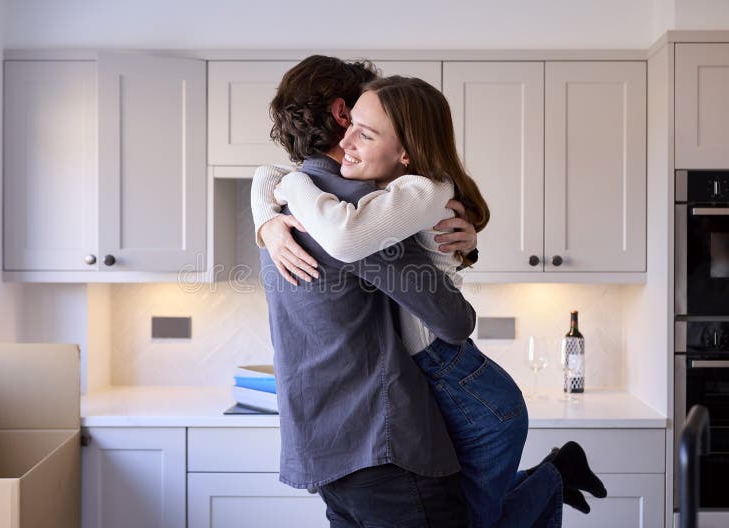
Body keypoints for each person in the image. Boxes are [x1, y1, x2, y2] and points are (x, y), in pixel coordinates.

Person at [253, 74, 608, 527]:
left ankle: (554, 477)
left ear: (404, 147)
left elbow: (450, 315)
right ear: (341, 113)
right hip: (383, 438)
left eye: (367, 129)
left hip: (449, 388)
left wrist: (278, 197)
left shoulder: (336, 209)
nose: (351, 138)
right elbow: (446, 309)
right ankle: (556, 476)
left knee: (479, 518)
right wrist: (272, 199)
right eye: (353, 125)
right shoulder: (328, 208)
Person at [253, 55, 477, 527]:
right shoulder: (352, 210)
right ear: (342, 114)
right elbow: (453, 321)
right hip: (384, 448)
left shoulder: (280, 208)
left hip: (324, 450)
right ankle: (553, 480)